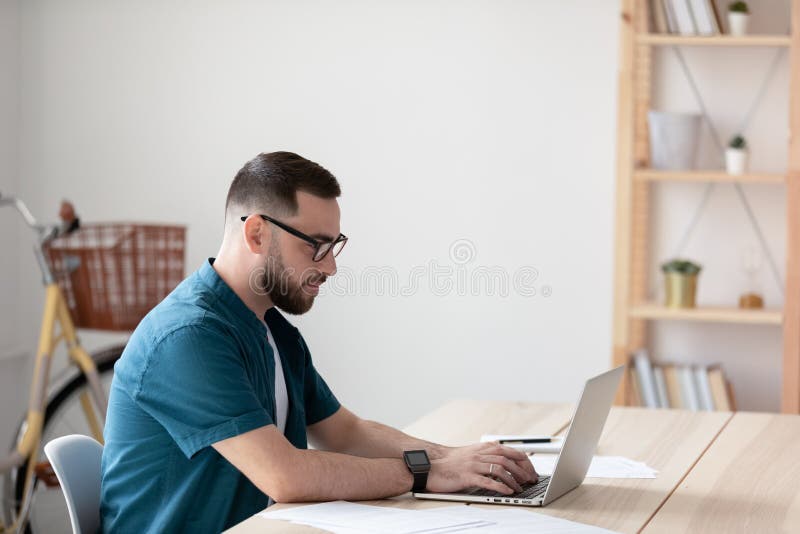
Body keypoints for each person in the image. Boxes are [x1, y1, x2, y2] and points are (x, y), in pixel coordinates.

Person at [100, 151, 537, 532]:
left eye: (334, 247)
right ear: (256, 234)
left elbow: (345, 431)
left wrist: (458, 460)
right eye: (316, 246)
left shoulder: (271, 327)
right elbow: (285, 475)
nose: (330, 268)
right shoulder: (189, 338)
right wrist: (423, 474)